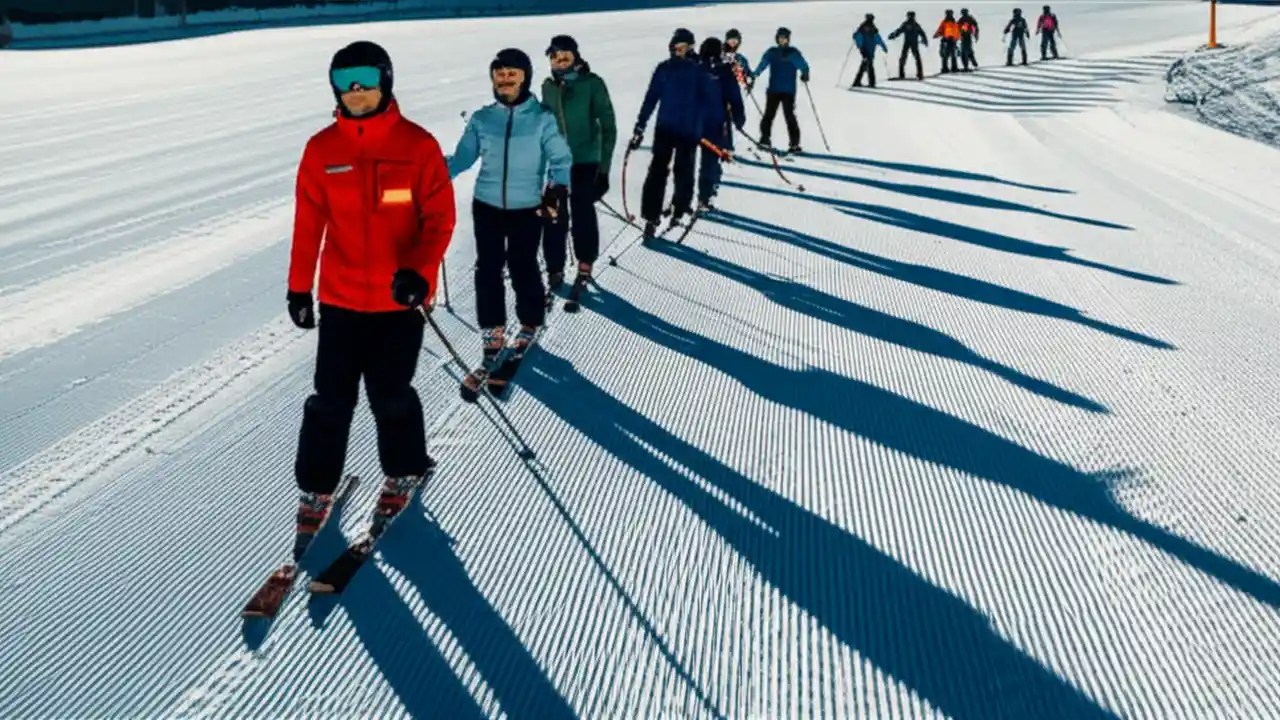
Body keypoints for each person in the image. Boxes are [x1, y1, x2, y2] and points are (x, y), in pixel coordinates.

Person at [287, 41, 456, 529]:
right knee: (330, 399)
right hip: (340, 300)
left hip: (397, 301)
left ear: (386, 79)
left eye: (364, 77)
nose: (355, 89)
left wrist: (420, 274)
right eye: (343, 80)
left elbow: (440, 220)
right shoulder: (322, 149)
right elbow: (308, 225)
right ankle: (318, 485)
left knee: (391, 394)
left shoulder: (416, 145)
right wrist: (299, 288)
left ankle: (405, 471)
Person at [449, 48, 572, 380]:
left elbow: (560, 159)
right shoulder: (482, 119)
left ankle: (530, 320)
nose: (505, 80)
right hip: (487, 205)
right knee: (487, 269)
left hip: (526, 207)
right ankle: (493, 331)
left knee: (522, 265)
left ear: (524, 78)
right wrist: (429, 174)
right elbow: (461, 159)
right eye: (499, 74)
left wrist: (557, 188)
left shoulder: (542, 118)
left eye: (512, 74)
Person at [539, 34, 617, 295]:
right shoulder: (548, 87)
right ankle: (554, 267)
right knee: (552, 215)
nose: (560, 63)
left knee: (582, 213)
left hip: (585, 160)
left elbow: (608, 127)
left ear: (576, 58)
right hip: (557, 164)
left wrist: (603, 170)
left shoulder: (592, 84)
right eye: (555, 58)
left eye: (566, 58)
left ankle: (585, 261)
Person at [631, 28, 706, 239]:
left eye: (682, 47)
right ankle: (650, 216)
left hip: (689, 131)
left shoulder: (700, 70)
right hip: (665, 128)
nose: (677, 51)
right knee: (657, 171)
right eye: (675, 47)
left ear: (691, 47)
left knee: (684, 170)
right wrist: (640, 126)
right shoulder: (664, 69)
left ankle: (680, 208)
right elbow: (651, 98)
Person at [695, 36, 745, 210]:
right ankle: (704, 197)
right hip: (715, 125)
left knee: (689, 162)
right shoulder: (724, 72)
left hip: (694, 123)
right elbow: (735, 97)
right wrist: (739, 119)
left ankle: (684, 201)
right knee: (709, 162)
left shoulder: (695, 70)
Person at [751, 27, 810, 153]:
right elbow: (762, 64)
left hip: (788, 91)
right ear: (777, 39)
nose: (782, 40)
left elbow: (804, 66)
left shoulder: (793, 53)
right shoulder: (772, 53)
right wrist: (754, 75)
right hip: (774, 89)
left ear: (788, 40)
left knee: (789, 116)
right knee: (769, 115)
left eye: (784, 38)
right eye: (780, 38)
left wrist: (805, 74)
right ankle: (765, 139)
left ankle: (794, 143)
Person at [888, 11, 929, 81]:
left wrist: (893, 35)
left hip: (909, 43)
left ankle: (902, 74)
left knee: (905, 58)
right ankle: (919, 74)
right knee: (915, 58)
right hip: (911, 43)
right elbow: (922, 33)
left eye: (910, 16)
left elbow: (899, 31)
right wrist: (925, 40)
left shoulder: (908, 24)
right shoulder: (915, 24)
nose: (909, 17)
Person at [851, 13, 889, 88]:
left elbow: (858, 37)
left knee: (864, 65)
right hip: (867, 50)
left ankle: (857, 82)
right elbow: (878, 38)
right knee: (869, 66)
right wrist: (883, 47)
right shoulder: (871, 28)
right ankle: (871, 83)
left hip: (866, 50)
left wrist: (860, 46)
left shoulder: (864, 27)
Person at [934, 10, 961, 75]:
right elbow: (957, 31)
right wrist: (957, 38)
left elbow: (940, 30)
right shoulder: (954, 22)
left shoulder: (945, 22)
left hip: (947, 40)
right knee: (952, 54)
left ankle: (946, 68)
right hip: (951, 40)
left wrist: (936, 35)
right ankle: (953, 68)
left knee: (946, 55)